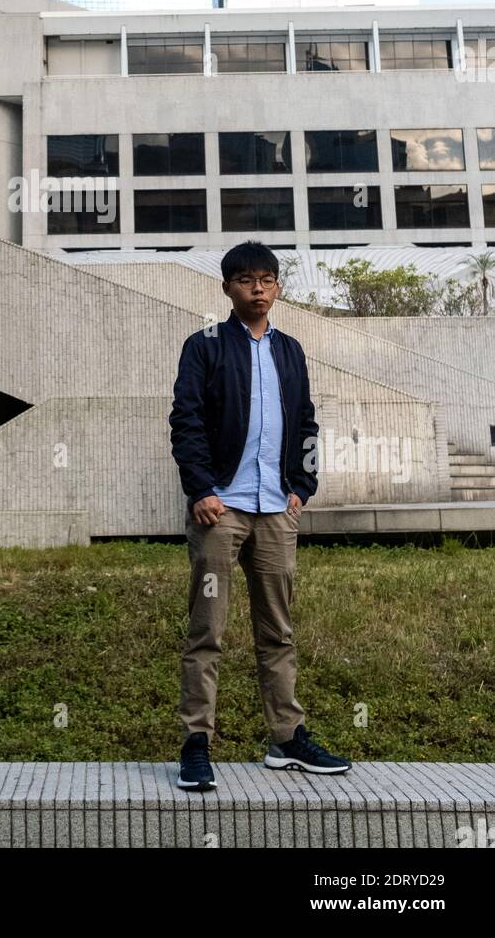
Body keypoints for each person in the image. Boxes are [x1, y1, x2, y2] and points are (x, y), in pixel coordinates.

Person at [169, 239, 351, 789]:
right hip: (220, 509)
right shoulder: (204, 346)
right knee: (208, 632)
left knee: (279, 631)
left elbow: (306, 423)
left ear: (277, 287)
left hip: (276, 509)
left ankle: (286, 739)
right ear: (227, 287)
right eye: (246, 279)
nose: (257, 288)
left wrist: (303, 486)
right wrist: (201, 489)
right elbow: (187, 420)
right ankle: (196, 744)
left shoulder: (291, 350)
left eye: (267, 280)